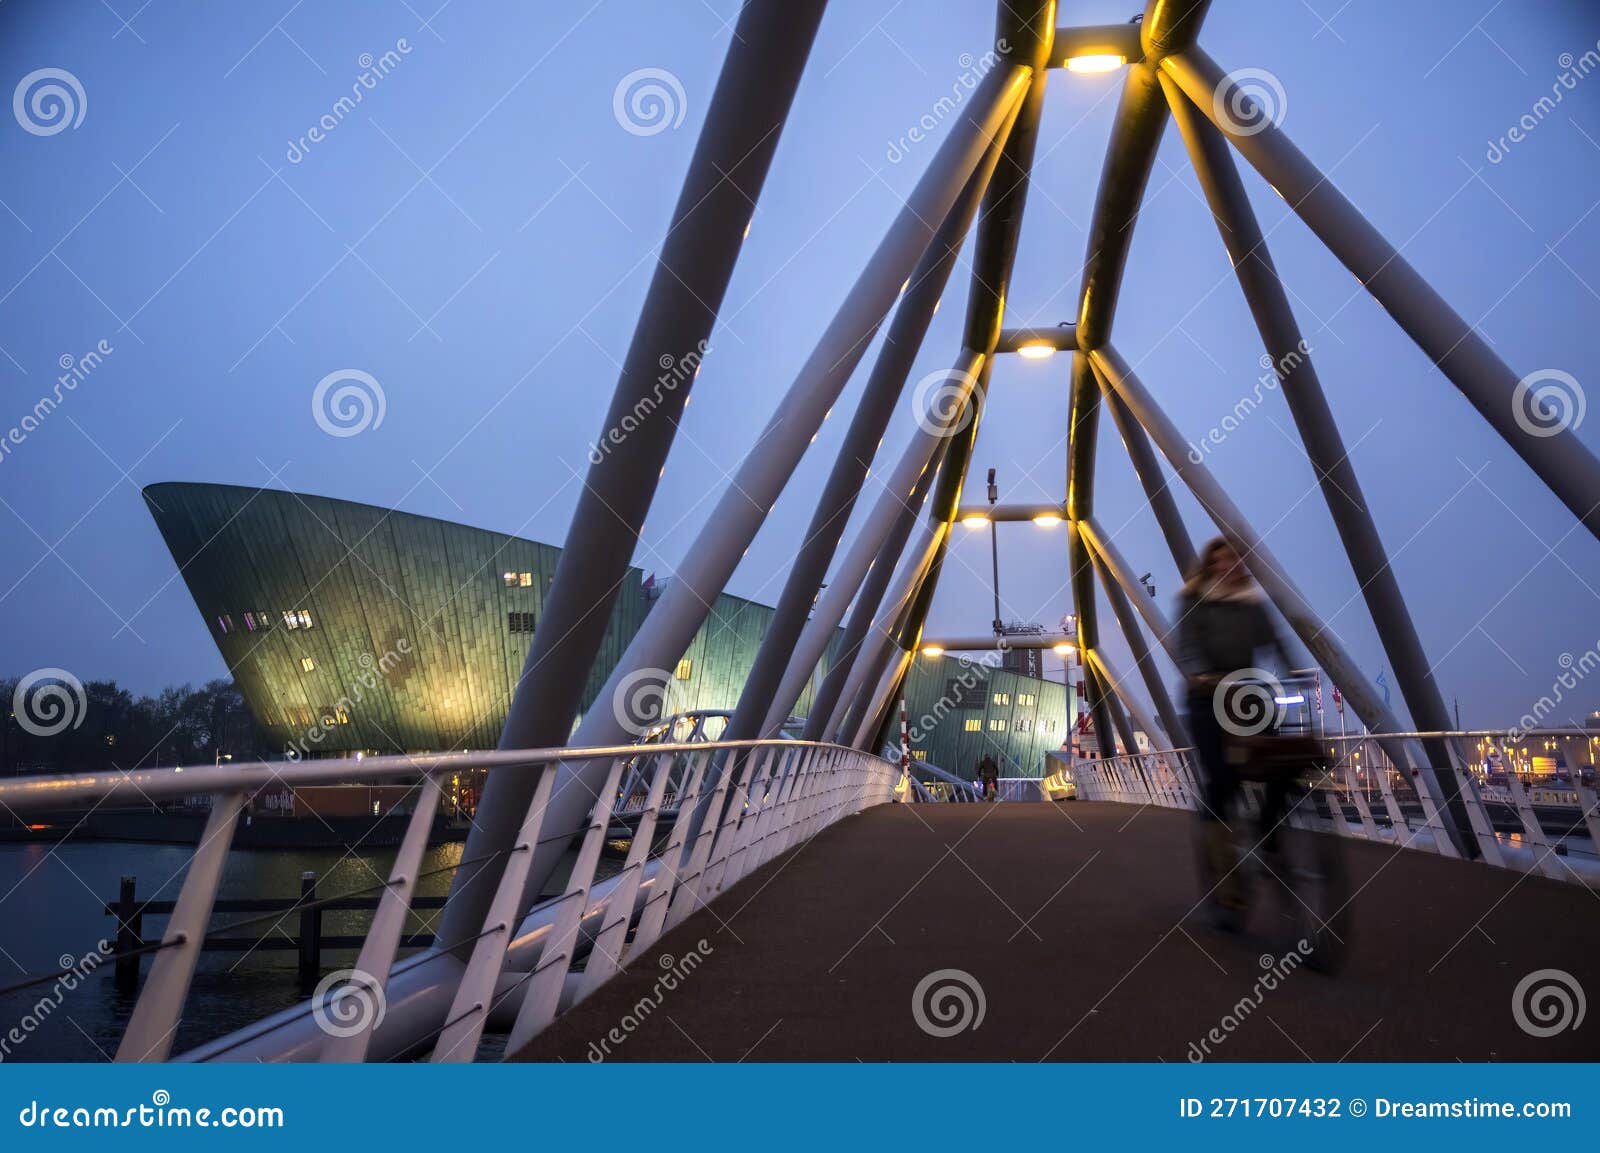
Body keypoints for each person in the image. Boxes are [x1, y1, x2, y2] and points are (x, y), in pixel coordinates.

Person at [1176, 536, 1295, 928]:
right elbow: (1187, 644)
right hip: (1206, 699)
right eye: (1221, 561)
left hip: (1249, 696)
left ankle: (1266, 832)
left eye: (1235, 561)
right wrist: (1199, 672)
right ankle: (1228, 887)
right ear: (1209, 566)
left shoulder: (1252, 603)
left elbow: (1276, 643)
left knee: (1285, 762)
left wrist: (1294, 673)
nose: (1229, 567)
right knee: (1222, 782)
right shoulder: (1193, 600)